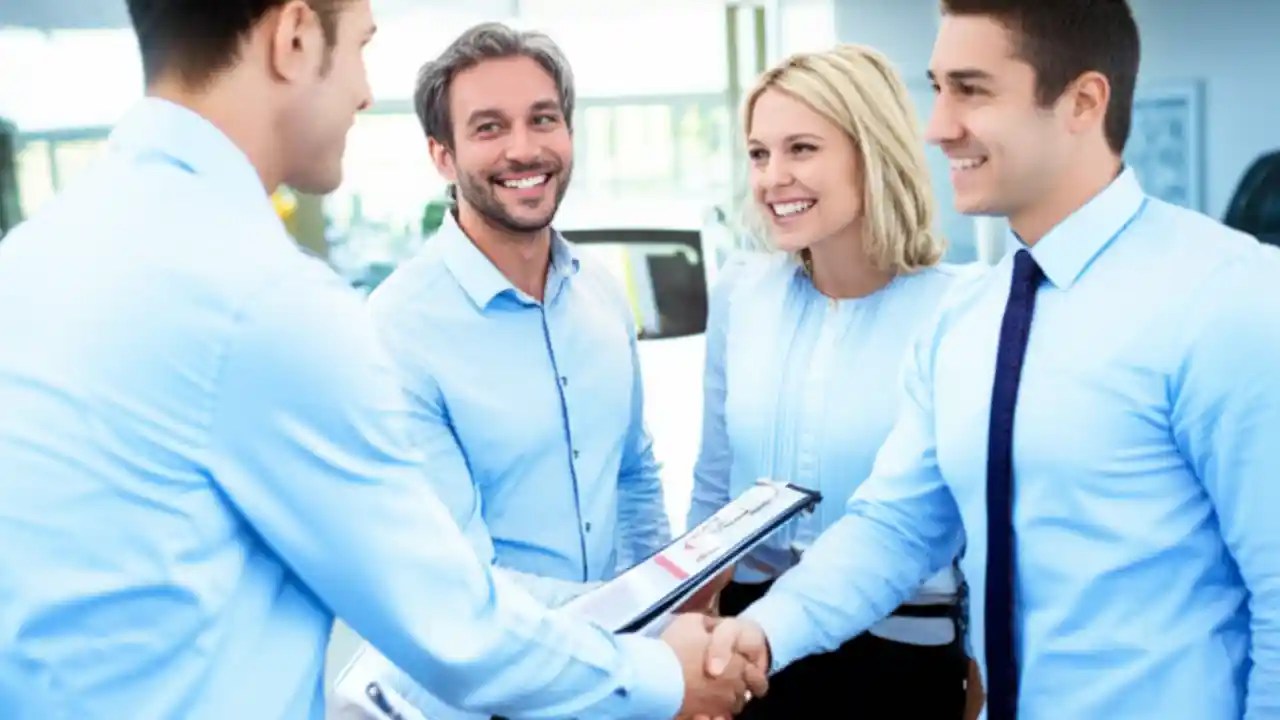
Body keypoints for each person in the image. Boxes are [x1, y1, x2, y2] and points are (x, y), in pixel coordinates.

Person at [0, 1, 765, 718]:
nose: (365, 94)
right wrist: (666, 677)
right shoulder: (269, 297)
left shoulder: (33, 256)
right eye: (361, 45)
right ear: (296, 35)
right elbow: (447, 620)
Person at [690, 1, 1280, 718]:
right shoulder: (968, 321)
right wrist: (760, 633)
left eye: (972, 90)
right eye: (938, 90)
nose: (938, 127)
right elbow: (898, 528)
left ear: (1082, 102)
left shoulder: (1230, 297)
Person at [333, 22, 679, 719]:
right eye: (489, 128)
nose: (524, 149)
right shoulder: (398, 330)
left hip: (612, 685)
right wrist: (655, 651)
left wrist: (663, 608)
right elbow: (464, 586)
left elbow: (633, 474)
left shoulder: (603, 294)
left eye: (543, 119)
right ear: (442, 155)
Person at [687, 44, 973, 718]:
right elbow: (712, 485)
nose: (773, 176)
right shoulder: (741, 293)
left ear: (870, 152)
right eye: (759, 154)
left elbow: (981, 529)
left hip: (903, 659)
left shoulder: (962, 309)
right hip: (748, 647)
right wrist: (685, 638)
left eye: (802, 149)